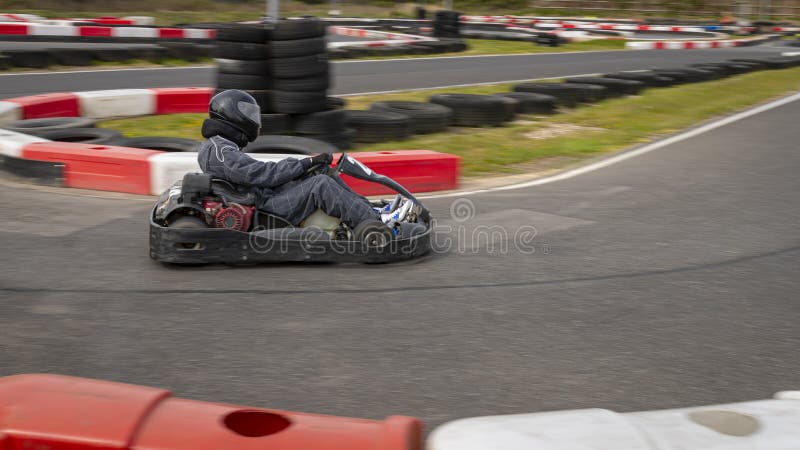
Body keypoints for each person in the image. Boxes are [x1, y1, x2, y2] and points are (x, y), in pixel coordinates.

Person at [197, 89, 387, 232]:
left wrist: (309, 165)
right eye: (247, 113)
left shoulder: (220, 145)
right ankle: (373, 223)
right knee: (320, 185)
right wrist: (304, 163)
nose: (251, 119)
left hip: (262, 196)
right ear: (232, 115)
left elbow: (257, 173)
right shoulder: (219, 151)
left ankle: (371, 212)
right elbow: (262, 174)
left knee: (320, 172)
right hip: (265, 207)